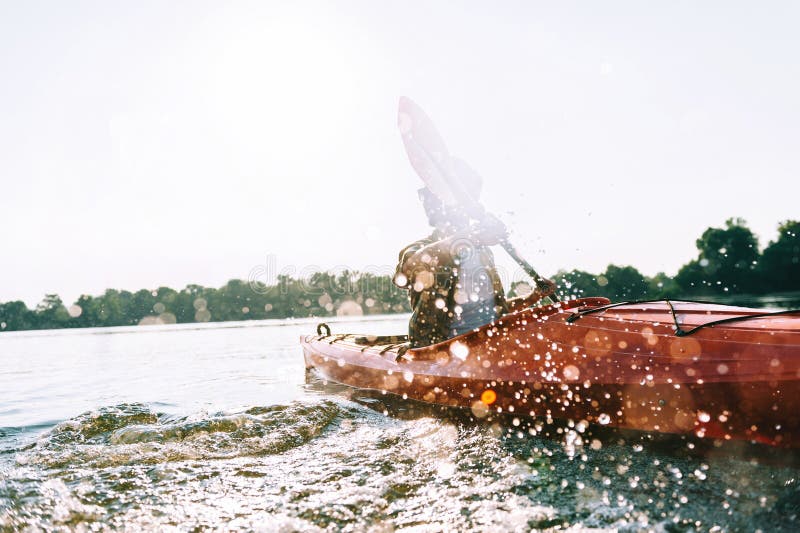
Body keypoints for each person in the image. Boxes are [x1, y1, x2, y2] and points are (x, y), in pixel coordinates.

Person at [394, 187, 556, 348]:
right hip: (443, 349)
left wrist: (532, 297)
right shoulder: (421, 248)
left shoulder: (483, 252)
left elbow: (494, 309)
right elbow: (409, 269)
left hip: (492, 343)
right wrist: (473, 237)